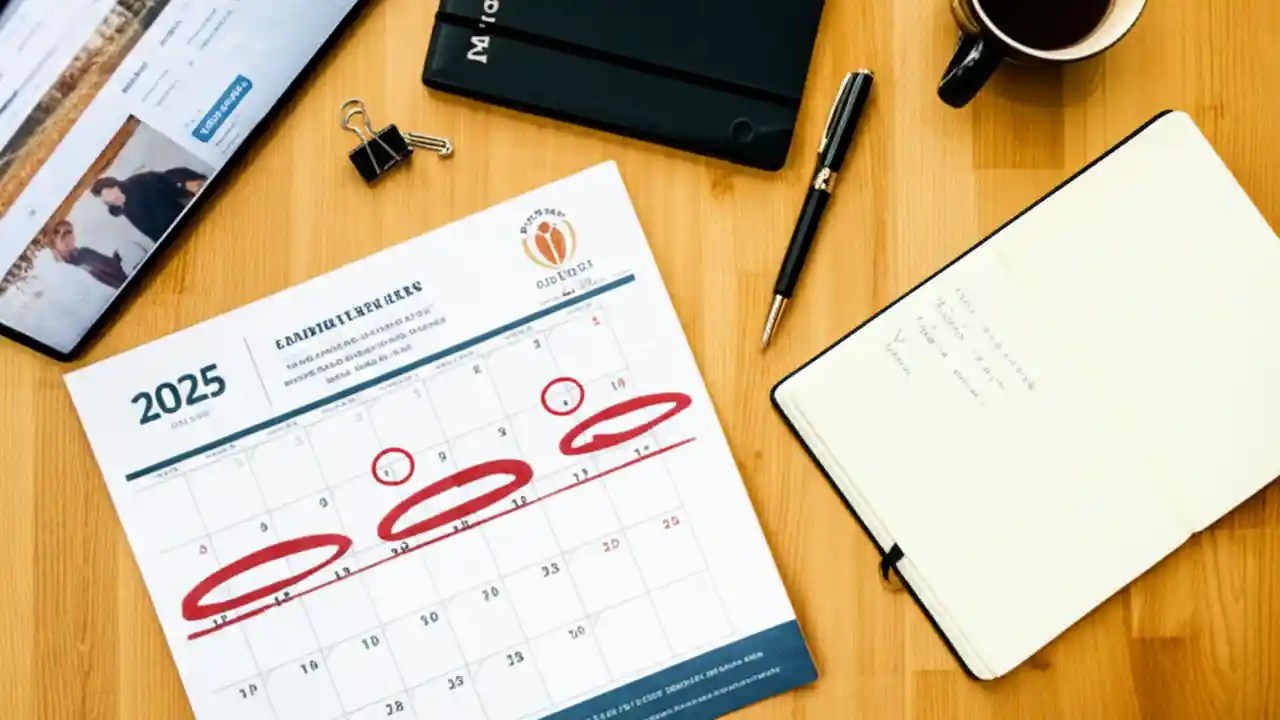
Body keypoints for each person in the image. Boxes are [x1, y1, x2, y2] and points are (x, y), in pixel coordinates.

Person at [90, 166, 209, 242]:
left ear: (114, 185)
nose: (111, 200)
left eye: (109, 195)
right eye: (107, 201)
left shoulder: (139, 183)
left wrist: (185, 184)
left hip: (185, 224)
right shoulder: (122, 207)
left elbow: (165, 179)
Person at [46, 220, 128, 290]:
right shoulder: (60, 269)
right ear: (54, 241)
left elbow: (109, 265)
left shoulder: (84, 252)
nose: (68, 238)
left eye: (70, 233)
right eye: (63, 235)